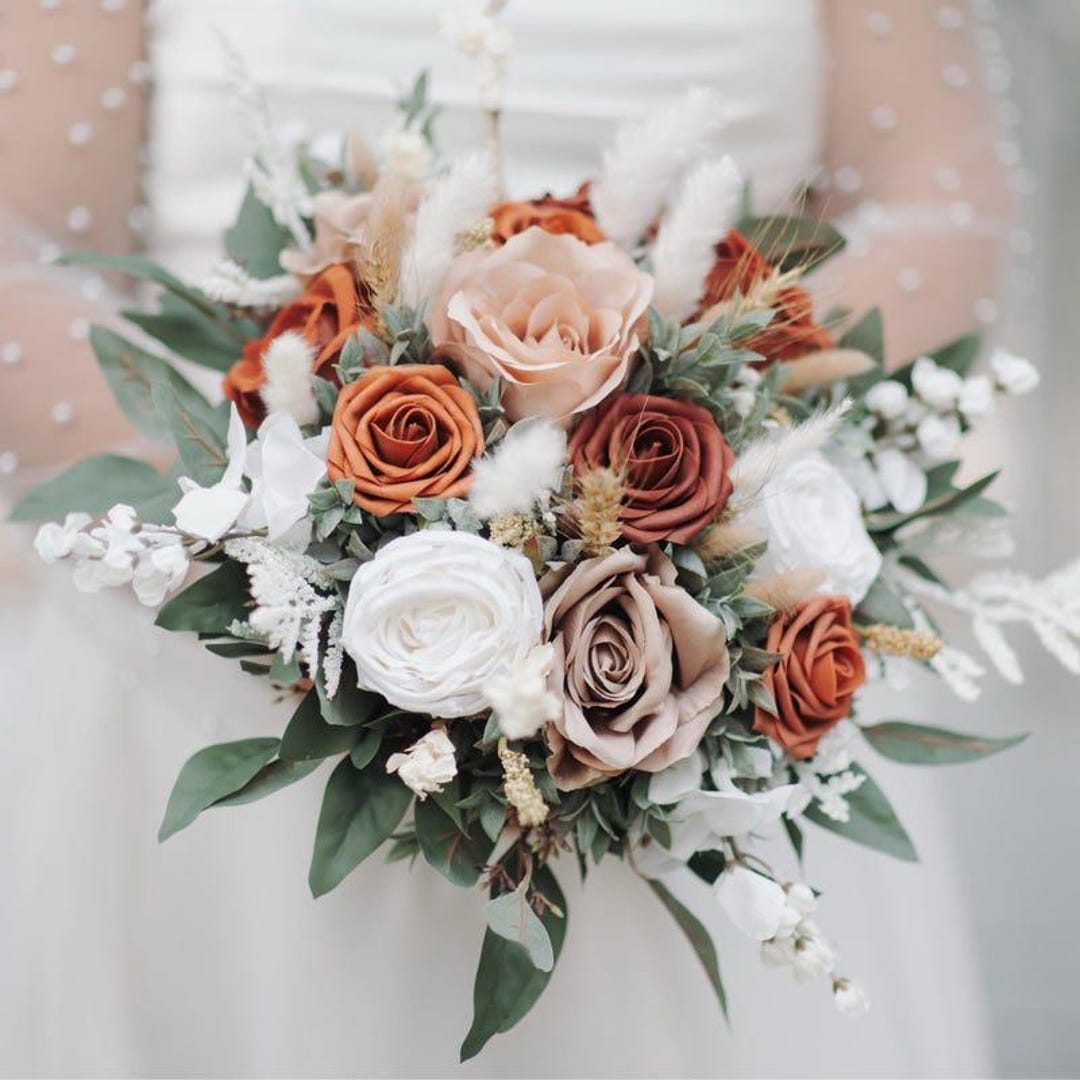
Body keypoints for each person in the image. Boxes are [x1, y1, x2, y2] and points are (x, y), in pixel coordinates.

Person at [0, 2, 1019, 1074]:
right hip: (225, 658)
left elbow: (942, 203)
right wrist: (281, 534)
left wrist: (706, 469)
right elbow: (19, 242)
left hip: (713, 665)